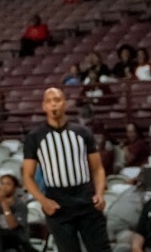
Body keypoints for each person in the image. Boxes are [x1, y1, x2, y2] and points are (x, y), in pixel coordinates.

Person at [21, 88, 108, 252]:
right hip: (57, 202)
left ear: (65, 104)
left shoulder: (83, 132)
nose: (54, 104)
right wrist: (43, 201)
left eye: (58, 99)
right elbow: (27, 176)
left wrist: (100, 194)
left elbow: (98, 169)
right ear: (44, 106)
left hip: (86, 198)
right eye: (49, 101)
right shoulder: (35, 137)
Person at [0, 173, 30, 251]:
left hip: (17, 240)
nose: (4, 187)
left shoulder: (19, 204)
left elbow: (12, 226)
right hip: (1, 238)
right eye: (2, 184)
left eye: (8, 184)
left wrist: (3, 202)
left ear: (15, 187)